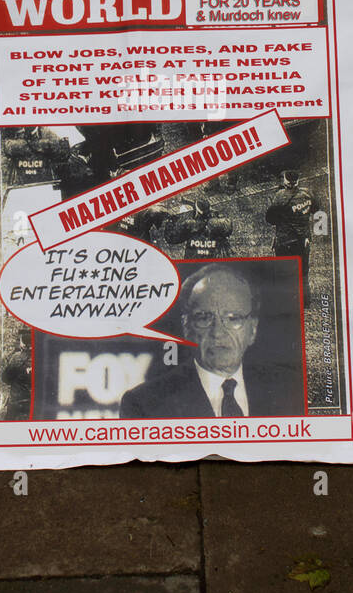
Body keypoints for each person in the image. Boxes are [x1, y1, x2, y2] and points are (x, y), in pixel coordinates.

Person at [118, 263, 304, 418]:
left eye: (233, 318)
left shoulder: (291, 390)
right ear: (187, 327)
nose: (218, 333)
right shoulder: (144, 404)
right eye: (204, 318)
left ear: (253, 330)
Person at [265, 169, 317, 308]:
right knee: (303, 272)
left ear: (285, 181)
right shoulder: (308, 193)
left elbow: (270, 219)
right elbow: (316, 209)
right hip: (303, 239)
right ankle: (305, 301)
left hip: (285, 240)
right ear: (298, 181)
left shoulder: (280, 196)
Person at [165, 196, 232, 259]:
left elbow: (171, 238)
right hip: (212, 256)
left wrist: (171, 221)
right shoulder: (215, 221)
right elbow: (203, 212)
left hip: (195, 258)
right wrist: (189, 202)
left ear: (197, 212)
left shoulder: (190, 225)